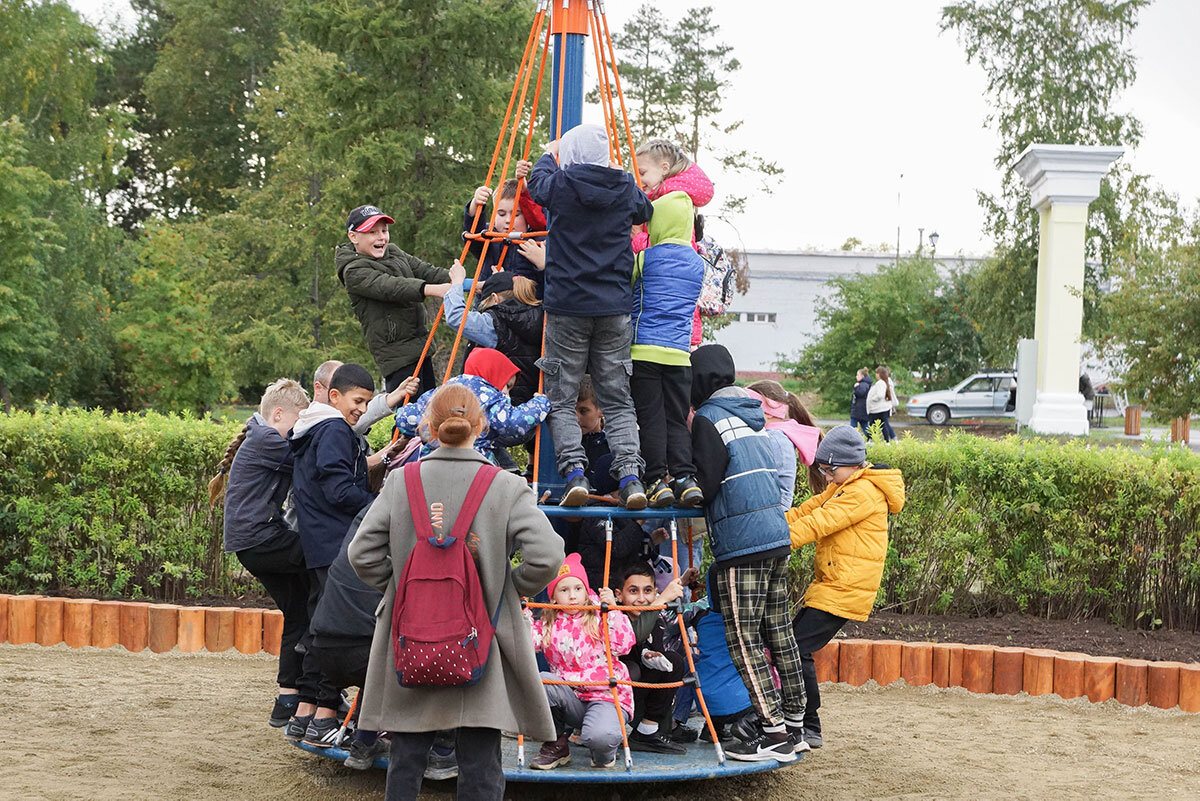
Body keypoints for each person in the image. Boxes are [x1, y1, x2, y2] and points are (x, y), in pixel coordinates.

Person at [349, 384, 565, 801]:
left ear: (428, 427)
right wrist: (503, 589)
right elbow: (547, 554)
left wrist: (401, 590)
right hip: (481, 636)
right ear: (481, 425)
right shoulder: (505, 485)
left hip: (412, 635)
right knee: (481, 760)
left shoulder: (401, 481)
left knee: (406, 754)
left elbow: (362, 552)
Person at [522, 123, 654, 509]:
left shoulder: (561, 184)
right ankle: (631, 477)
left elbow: (537, 183)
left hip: (568, 306)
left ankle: (574, 473)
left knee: (560, 397)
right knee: (617, 398)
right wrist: (619, 173)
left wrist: (550, 153)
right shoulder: (624, 186)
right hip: (613, 306)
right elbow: (644, 210)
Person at [689, 344, 807, 763]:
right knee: (779, 632)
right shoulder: (750, 413)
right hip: (776, 535)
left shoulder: (708, 418)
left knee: (743, 639)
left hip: (742, 545)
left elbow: (706, 483)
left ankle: (772, 731)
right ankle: (796, 723)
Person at [785, 425, 905, 749]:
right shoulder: (845, 484)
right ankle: (802, 721)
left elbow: (821, 522)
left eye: (829, 469)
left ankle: (808, 725)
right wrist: (775, 524)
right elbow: (810, 510)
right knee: (793, 646)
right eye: (822, 470)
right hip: (833, 585)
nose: (826, 476)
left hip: (845, 590)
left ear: (851, 462)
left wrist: (777, 541)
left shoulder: (861, 492)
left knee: (796, 648)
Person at [217, 379, 323, 730]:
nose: (297, 434)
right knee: (327, 558)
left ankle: (287, 698)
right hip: (260, 539)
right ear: (278, 414)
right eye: (296, 425)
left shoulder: (260, 435)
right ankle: (316, 683)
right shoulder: (266, 440)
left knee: (297, 610)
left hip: (252, 543)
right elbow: (314, 465)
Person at [287, 363, 379, 744]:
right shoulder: (335, 431)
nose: (361, 409)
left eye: (367, 403)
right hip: (336, 544)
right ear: (334, 395)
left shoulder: (310, 430)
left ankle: (305, 714)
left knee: (318, 627)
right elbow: (339, 489)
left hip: (316, 543)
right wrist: (380, 504)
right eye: (358, 401)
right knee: (337, 631)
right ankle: (324, 717)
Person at [627, 139, 706, 509]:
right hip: (679, 355)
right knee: (677, 418)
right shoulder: (696, 265)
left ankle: (656, 479)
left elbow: (627, 284)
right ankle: (686, 477)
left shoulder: (646, 259)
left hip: (644, 351)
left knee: (651, 418)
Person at [527, 553, 636, 770]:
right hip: (572, 698)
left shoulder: (598, 614)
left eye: (578, 588)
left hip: (606, 695)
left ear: (586, 591)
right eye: (564, 590)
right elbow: (529, 643)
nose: (572, 596)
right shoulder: (550, 623)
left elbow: (623, 645)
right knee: (542, 681)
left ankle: (605, 750)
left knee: (599, 738)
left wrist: (613, 609)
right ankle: (557, 744)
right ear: (553, 597)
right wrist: (525, 614)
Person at [336, 204, 456, 393]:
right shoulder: (353, 271)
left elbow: (426, 271)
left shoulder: (394, 252)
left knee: (429, 410)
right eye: (372, 232)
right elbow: (391, 287)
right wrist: (433, 289)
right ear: (354, 237)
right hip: (397, 357)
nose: (381, 237)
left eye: (384, 230)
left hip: (419, 346)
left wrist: (471, 283)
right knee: (409, 414)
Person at [393, 347, 549, 464]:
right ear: (492, 375)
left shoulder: (439, 394)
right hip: (474, 465)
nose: (507, 394)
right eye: (507, 386)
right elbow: (513, 424)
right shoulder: (488, 397)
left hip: (432, 463)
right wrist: (539, 404)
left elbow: (405, 420)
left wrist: (430, 438)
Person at [613, 561, 693, 755]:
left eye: (647, 591)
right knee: (631, 668)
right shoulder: (614, 616)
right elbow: (633, 636)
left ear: (654, 591)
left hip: (643, 696)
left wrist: (651, 655)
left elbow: (650, 642)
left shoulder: (656, 618)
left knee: (673, 661)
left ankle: (646, 731)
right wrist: (660, 600)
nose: (641, 598)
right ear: (619, 595)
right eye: (633, 591)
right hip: (616, 697)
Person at [441, 269, 544, 406]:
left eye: (485, 305)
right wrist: (500, 279)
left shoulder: (494, 323)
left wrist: (457, 283)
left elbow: (457, 317)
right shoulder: (542, 318)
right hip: (531, 403)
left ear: (495, 299)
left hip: (498, 405)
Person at [746, 379, 825, 507]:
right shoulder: (776, 436)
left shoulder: (775, 439)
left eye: (750, 408)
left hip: (773, 517)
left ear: (768, 413)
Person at [463, 178, 547, 293]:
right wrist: (475, 205)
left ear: (528, 215)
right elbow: (473, 235)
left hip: (527, 308)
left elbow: (552, 287)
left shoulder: (538, 243)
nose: (508, 220)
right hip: (489, 307)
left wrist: (543, 265)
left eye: (516, 215)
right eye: (501, 214)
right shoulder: (489, 237)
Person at [865, 366, 896, 442]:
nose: (876, 375)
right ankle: (885, 441)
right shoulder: (884, 382)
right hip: (880, 409)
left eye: (877, 373)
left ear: (879, 374)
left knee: (874, 425)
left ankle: (871, 440)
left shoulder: (880, 383)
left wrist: (872, 399)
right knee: (881, 425)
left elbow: (880, 395)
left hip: (877, 409)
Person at [850, 368, 872, 435]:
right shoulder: (864, 384)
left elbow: (861, 393)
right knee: (864, 426)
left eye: (857, 375)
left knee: (853, 427)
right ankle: (870, 438)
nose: (856, 376)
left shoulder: (863, 384)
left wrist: (856, 387)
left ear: (862, 376)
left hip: (859, 410)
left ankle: (852, 439)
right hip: (860, 409)